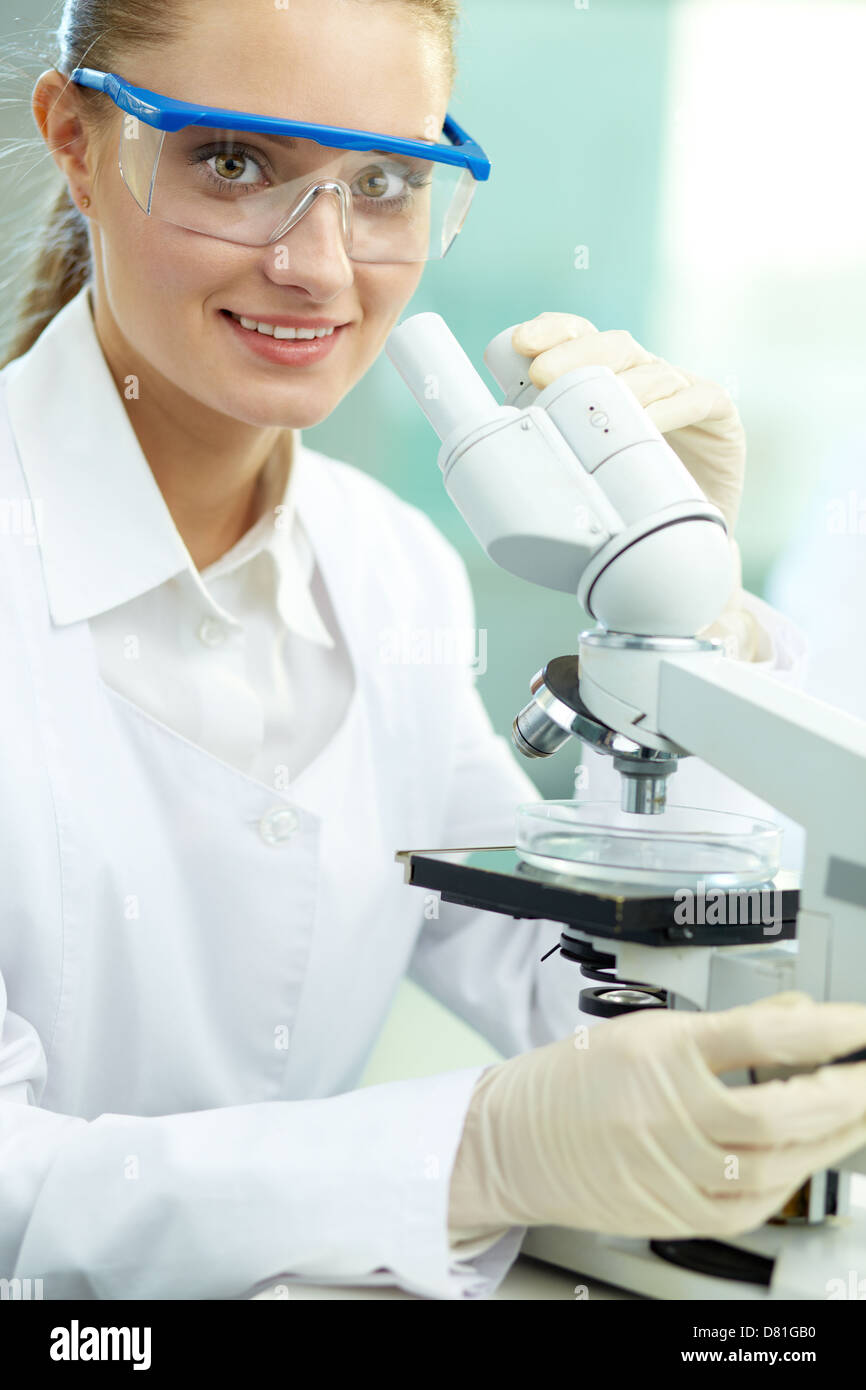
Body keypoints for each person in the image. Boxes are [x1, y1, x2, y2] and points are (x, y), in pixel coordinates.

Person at [2, 0, 866, 1302]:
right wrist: (475, 1150)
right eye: (236, 163)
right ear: (77, 137)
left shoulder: (384, 564)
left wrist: (685, 635)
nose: (322, 267)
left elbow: (581, 1002)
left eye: (388, 183)